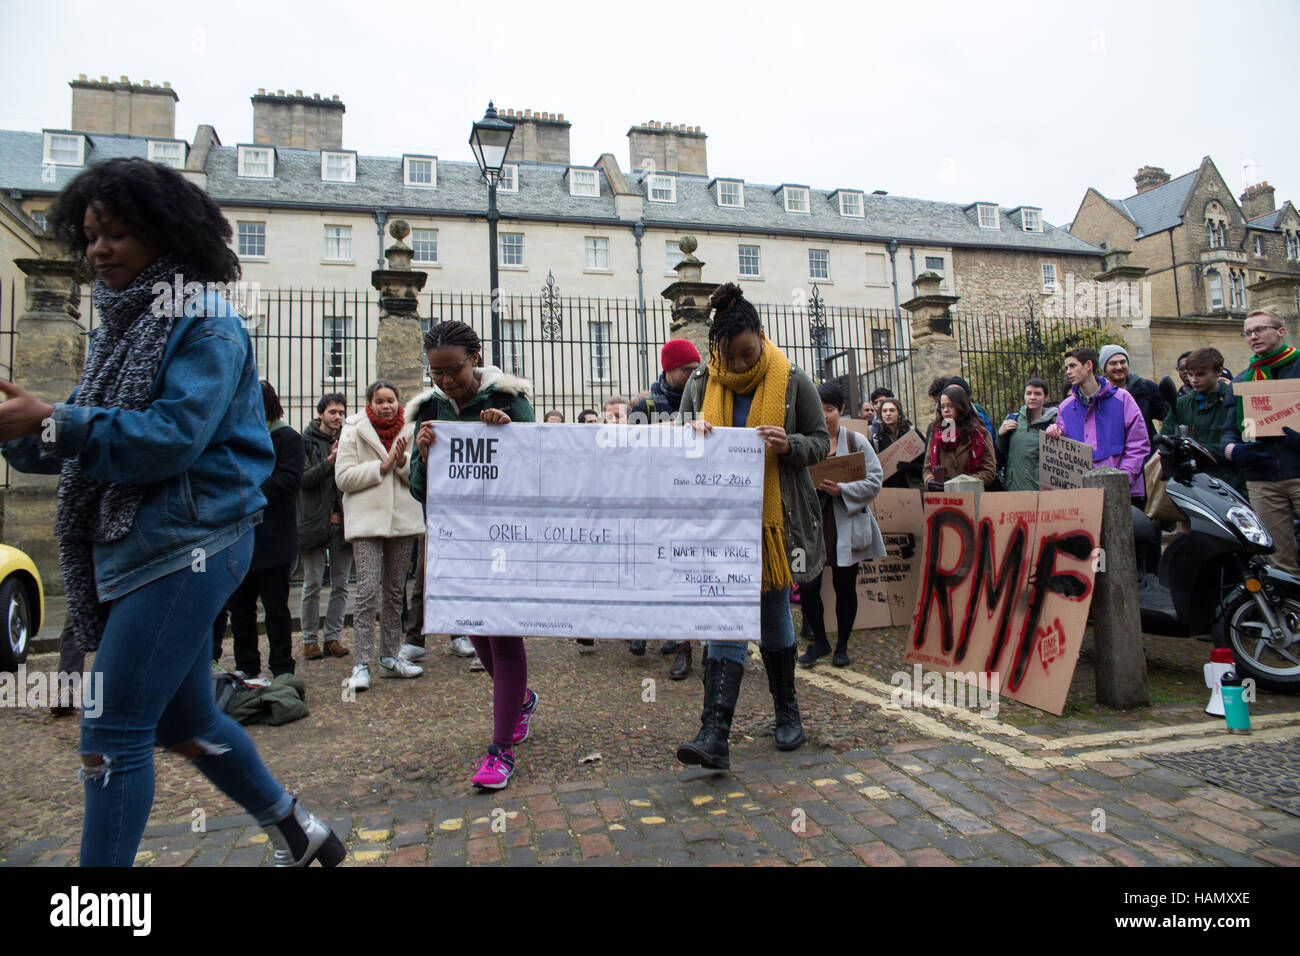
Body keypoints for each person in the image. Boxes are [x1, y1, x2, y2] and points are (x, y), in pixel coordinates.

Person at [0, 156, 341, 866]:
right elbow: (82, 441)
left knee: (111, 732)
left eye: (117, 233)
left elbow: (169, 440)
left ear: (164, 234)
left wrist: (53, 422)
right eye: (90, 236)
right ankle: (299, 833)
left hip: (192, 543)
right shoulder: (120, 329)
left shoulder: (206, 321)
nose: (98, 250)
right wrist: (24, 428)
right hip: (140, 550)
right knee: (187, 720)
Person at [675, 282, 829, 769]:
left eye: (747, 354)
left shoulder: (793, 379)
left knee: (773, 613)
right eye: (730, 356)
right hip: (719, 520)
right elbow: (676, 439)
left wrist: (790, 445)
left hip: (773, 520)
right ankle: (713, 733)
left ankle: (787, 711)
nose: (739, 365)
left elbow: (821, 443)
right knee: (724, 616)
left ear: (761, 336)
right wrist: (690, 432)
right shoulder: (701, 383)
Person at [409, 320, 537, 790]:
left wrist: (509, 438)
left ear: (475, 358)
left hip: (504, 540)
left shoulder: (508, 400)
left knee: (502, 639)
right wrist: (423, 459)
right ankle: (521, 701)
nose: (445, 381)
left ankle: (500, 751)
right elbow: (422, 493)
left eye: (454, 370)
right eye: (436, 372)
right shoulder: (426, 410)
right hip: (456, 543)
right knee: (479, 637)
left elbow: (542, 468)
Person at [335, 380, 426, 691]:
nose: (386, 406)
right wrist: (383, 465)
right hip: (366, 522)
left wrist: (401, 465)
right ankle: (361, 663)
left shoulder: (411, 429)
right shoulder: (352, 429)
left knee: (395, 592)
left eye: (391, 401)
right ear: (369, 403)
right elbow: (343, 477)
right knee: (366, 593)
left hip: (402, 520)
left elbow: (418, 474)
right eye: (380, 401)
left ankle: (389, 657)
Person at [629, 338, 702, 674]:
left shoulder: (704, 398)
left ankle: (684, 646)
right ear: (669, 368)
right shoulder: (645, 404)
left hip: (692, 499)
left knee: (685, 573)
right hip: (653, 500)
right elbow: (630, 450)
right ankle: (644, 625)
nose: (693, 374)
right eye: (686, 369)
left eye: (695, 368)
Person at [798, 383, 885, 667]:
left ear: (842, 410)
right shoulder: (805, 441)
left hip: (844, 521)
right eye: (819, 409)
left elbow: (874, 479)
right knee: (808, 585)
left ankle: (842, 645)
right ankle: (819, 641)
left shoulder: (856, 441)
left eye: (830, 410)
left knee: (844, 585)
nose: (824, 416)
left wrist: (843, 490)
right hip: (812, 522)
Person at [223, 381, 304, 678]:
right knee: (241, 611)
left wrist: (245, 492)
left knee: (276, 610)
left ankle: (282, 667)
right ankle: (247, 666)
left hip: (273, 539)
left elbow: (288, 480)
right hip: (239, 538)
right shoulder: (236, 439)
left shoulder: (287, 438)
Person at [1223, 310, 1300, 577]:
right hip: (1262, 478)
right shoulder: (1243, 380)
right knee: (1279, 561)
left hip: (1298, 469)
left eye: (1260, 330)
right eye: (1248, 332)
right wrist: (1234, 451)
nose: (1253, 336)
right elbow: (1229, 430)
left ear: (1281, 331)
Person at [1046, 347, 1150, 505]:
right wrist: (1054, 433)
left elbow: (1138, 442)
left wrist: (1123, 478)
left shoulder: (1123, 398)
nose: (1068, 372)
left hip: (1125, 492)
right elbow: (1063, 451)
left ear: (1088, 365)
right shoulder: (1065, 407)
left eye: (1073, 366)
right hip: (1084, 495)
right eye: (1067, 367)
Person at [298, 393, 352, 661]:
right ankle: (310, 640)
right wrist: (329, 462)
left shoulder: (349, 439)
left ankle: (332, 637)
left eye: (341, 412)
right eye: (332, 412)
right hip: (313, 522)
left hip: (342, 521)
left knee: (341, 584)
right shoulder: (305, 441)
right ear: (321, 414)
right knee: (313, 583)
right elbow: (303, 479)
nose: (338, 417)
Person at [1161, 348, 1245, 496]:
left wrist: (1200, 452)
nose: (1194, 380)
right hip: (1192, 484)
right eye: (1190, 374)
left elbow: (1246, 442)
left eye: (1201, 374)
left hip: (1230, 483)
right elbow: (1165, 437)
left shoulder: (1235, 399)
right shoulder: (1181, 404)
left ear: (1219, 372)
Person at [922, 385, 998, 490]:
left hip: (971, 495)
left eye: (950, 406)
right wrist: (930, 481)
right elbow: (928, 468)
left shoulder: (979, 433)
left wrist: (961, 483)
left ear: (961, 406)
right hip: (942, 498)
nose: (946, 410)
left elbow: (989, 471)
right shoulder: (936, 432)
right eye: (942, 406)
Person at [1099, 344, 1169, 448]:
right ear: (1104, 367)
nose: (1119, 367)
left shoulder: (1145, 388)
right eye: (1113, 363)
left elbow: (1168, 415)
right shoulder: (1098, 394)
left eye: (1122, 362)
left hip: (1146, 453)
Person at [996, 378, 1057, 492]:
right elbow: (999, 452)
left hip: (1041, 492)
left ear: (1046, 397)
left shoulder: (1052, 426)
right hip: (1013, 489)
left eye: (1037, 394)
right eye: (1029, 393)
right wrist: (1000, 434)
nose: (1032, 397)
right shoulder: (1011, 420)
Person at [873, 397, 924, 489]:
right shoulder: (877, 438)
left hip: (912, 486)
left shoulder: (912, 433)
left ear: (899, 414)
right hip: (889, 490)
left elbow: (926, 464)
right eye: (884, 411)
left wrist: (910, 467)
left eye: (892, 410)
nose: (888, 414)